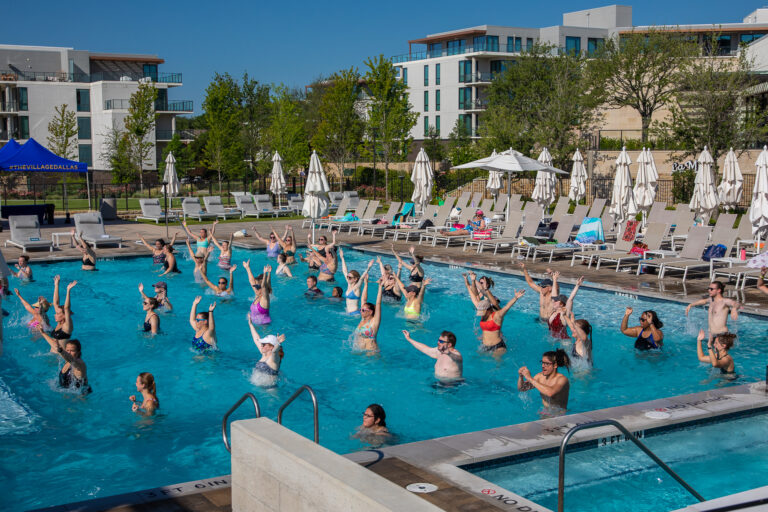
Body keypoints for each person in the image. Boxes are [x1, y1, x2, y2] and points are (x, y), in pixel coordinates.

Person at [518, 349, 571, 414]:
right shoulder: (540, 376)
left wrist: (530, 379)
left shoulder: (562, 380)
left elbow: (550, 393)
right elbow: (522, 388)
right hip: (545, 412)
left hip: (559, 415)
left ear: (555, 365)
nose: (543, 366)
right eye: (542, 362)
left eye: (546, 363)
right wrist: (521, 377)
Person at [39, 331, 91, 395]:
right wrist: (42, 333)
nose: (69, 352)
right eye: (67, 350)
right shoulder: (67, 358)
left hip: (80, 398)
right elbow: (54, 345)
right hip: (68, 394)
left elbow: (71, 359)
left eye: (72, 351)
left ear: (78, 352)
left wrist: (61, 351)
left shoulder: (80, 364)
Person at [475, 289, 526, 355]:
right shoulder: (483, 316)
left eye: (483, 312)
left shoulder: (497, 316)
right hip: (485, 346)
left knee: (496, 364)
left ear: (488, 310)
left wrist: (515, 298)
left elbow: (506, 308)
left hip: (498, 347)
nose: (481, 314)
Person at [248, 315, 285, 381]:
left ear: (271, 347)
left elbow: (274, 351)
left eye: (264, 344)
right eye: (262, 343)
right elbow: (256, 339)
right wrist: (250, 324)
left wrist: (278, 343)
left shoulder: (274, 360)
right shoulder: (264, 353)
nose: (261, 345)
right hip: (258, 388)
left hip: (269, 390)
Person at [547, 275, 582, 340]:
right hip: (552, 339)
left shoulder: (564, 313)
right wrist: (554, 280)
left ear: (561, 304)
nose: (554, 301)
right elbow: (554, 295)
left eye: (556, 301)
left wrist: (577, 286)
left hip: (564, 341)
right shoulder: (554, 311)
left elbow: (570, 299)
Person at [339, 248, 374, 314]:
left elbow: (361, 278)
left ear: (355, 279)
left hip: (355, 313)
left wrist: (368, 268)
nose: (347, 278)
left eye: (349, 277)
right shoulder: (349, 284)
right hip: (348, 313)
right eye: (347, 277)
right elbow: (344, 271)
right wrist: (342, 258)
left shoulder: (356, 288)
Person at [354, 278, 383, 351]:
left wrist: (380, 287)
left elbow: (378, 303)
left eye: (363, 310)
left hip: (371, 351)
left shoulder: (374, 322)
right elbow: (363, 299)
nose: (361, 311)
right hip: (360, 350)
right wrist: (365, 284)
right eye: (360, 309)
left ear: (370, 312)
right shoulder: (363, 320)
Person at [50, 276, 75, 344]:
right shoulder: (59, 322)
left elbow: (66, 308)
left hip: (61, 354)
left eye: (57, 314)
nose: (55, 314)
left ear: (64, 315)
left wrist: (68, 291)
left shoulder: (67, 326)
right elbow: (55, 303)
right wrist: (56, 285)